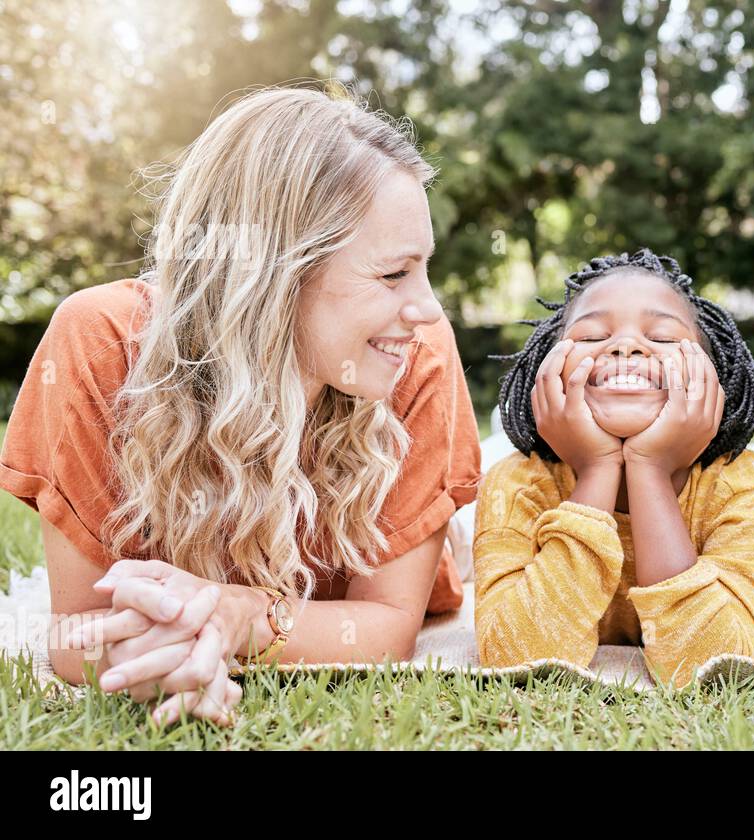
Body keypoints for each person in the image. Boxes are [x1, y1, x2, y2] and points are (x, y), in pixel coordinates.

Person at [0, 85, 481, 726]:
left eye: (425, 269)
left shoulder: (416, 353)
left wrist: (234, 619)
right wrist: (166, 653)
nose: (427, 307)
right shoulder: (100, 343)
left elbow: (388, 625)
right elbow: (75, 631)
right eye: (394, 274)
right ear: (274, 274)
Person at [474, 249, 754, 687]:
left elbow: (705, 665)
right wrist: (597, 470)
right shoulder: (515, 484)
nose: (626, 346)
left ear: (713, 374)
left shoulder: (748, 481)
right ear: (544, 370)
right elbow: (517, 656)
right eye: (591, 337)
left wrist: (647, 468)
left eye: (664, 338)